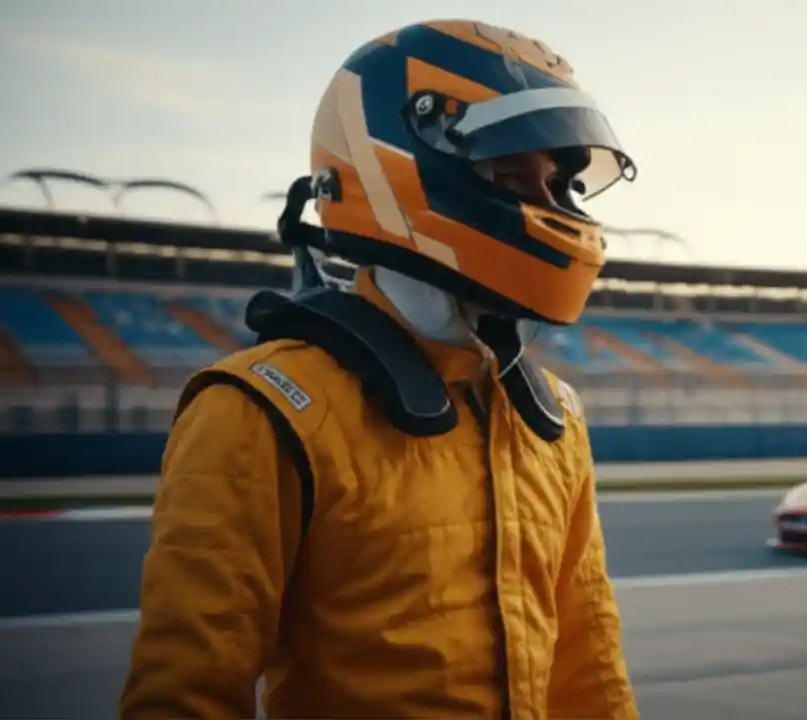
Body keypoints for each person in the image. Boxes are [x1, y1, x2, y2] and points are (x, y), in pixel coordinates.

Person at [118, 18, 639, 720]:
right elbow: (185, 696)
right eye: (513, 174)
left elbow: (588, 661)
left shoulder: (551, 415)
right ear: (396, 165)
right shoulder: (261, 410)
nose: (553, 206)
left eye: (558, 181)